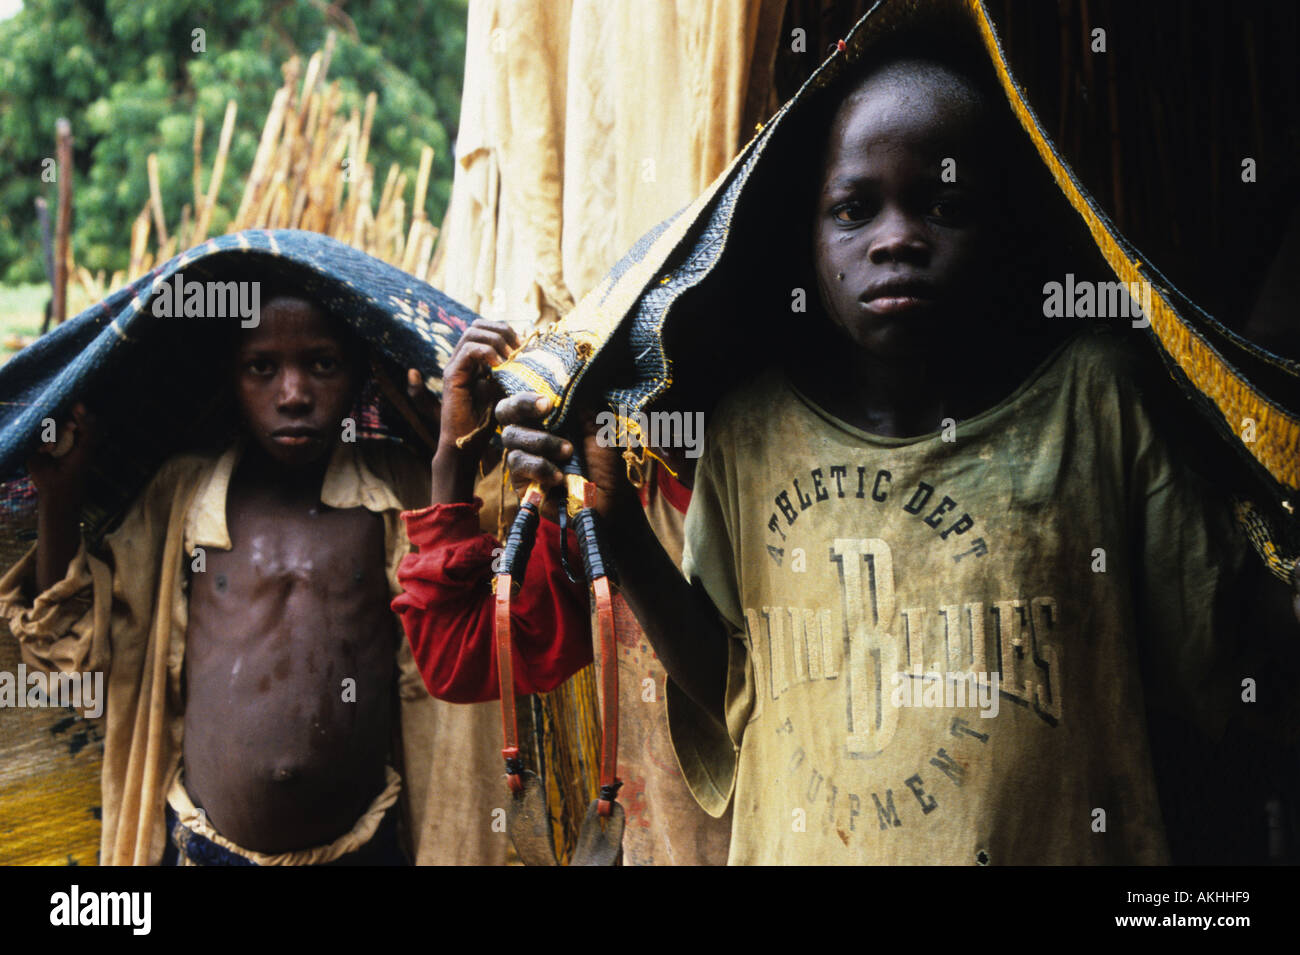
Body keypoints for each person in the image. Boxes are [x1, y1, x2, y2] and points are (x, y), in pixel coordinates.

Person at [495, 46, 1300, 864]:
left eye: (945, 207)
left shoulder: (1100, 406)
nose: (897, 239)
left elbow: (1217, 668)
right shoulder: (751, 431)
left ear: (1009, 225)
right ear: (807, 237)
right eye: (854, 210)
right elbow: (742, 691)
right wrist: (620, 530)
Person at [0, 290, 439, 865]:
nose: (294, 394)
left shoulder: (399, 491)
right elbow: (72, 644)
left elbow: (478, 547)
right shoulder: (182, 494)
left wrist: (449, 437)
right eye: (262, 367)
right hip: (208, 850)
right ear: (229, 380)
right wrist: (59, 496)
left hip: (365, 846)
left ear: (362, 374)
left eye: (322, 364)